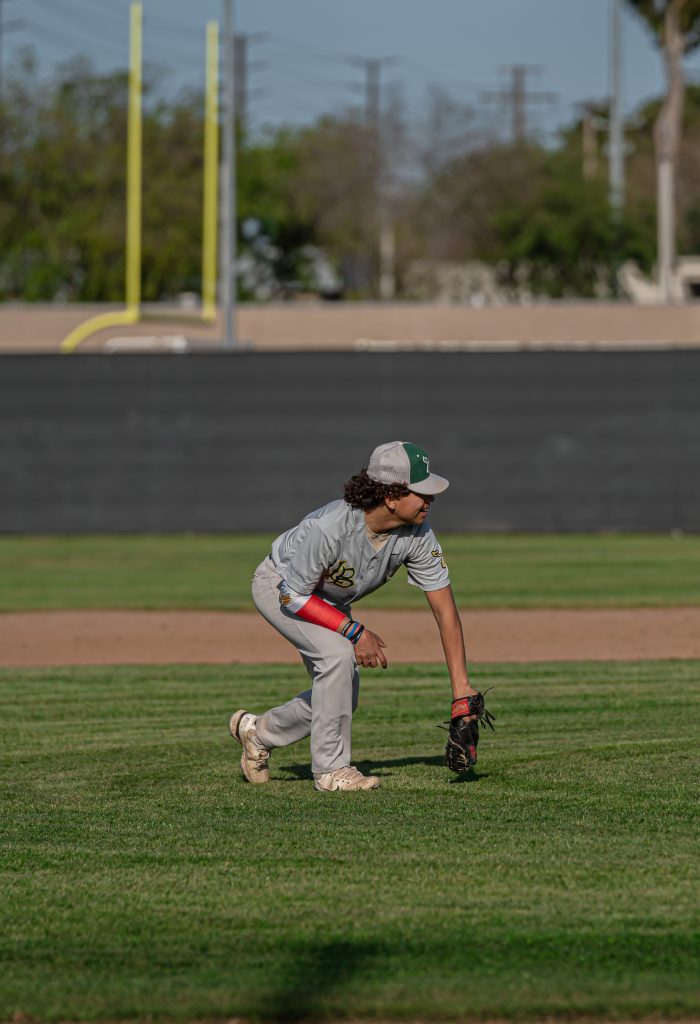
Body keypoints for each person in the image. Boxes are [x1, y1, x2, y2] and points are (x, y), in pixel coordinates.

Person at [230, 440, 488, 793]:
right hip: (281, 586)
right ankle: (331, 771)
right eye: (420, 492)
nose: (430, 499)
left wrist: (461, 689)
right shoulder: (331, 526)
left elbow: (446, 612)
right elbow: (292, 594)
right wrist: (353, 631)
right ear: (391, 496)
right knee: (336, 658)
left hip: (323, 597)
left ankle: (257, 733)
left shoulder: (418, 536)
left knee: (340, 696)